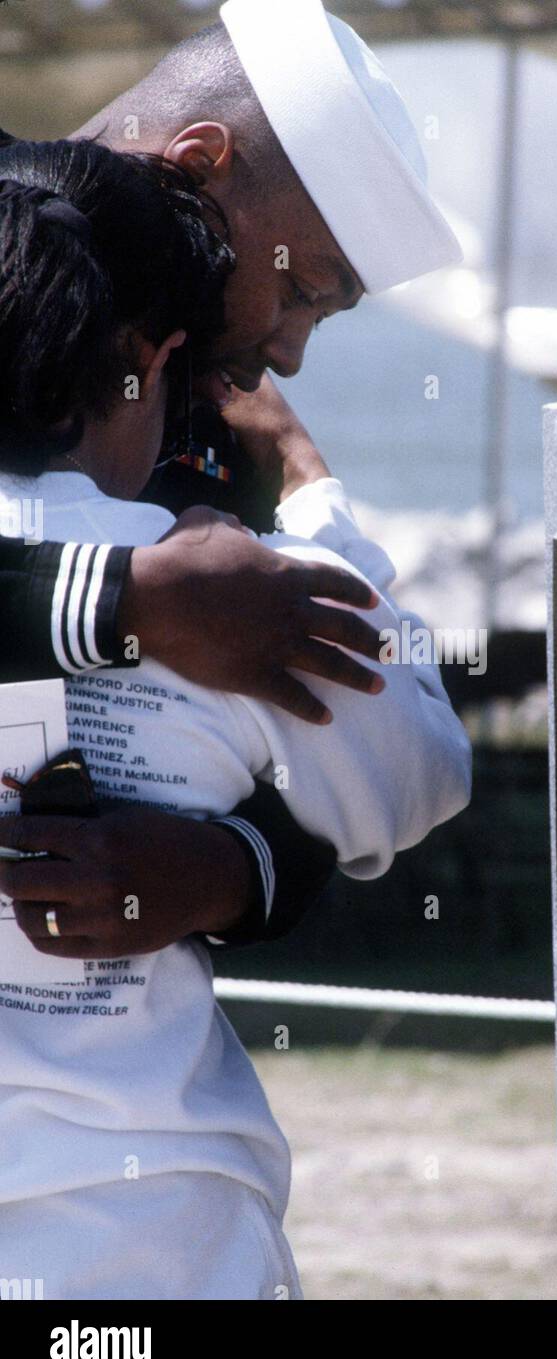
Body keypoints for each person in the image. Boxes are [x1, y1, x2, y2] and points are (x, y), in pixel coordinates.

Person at [0, 134, 470, 1299]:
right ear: (156, 361)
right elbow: (419, 762)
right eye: (302, 286)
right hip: (147, 1227)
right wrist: (313, 501)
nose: (290, 345)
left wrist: (237, 868)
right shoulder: (233, 591)